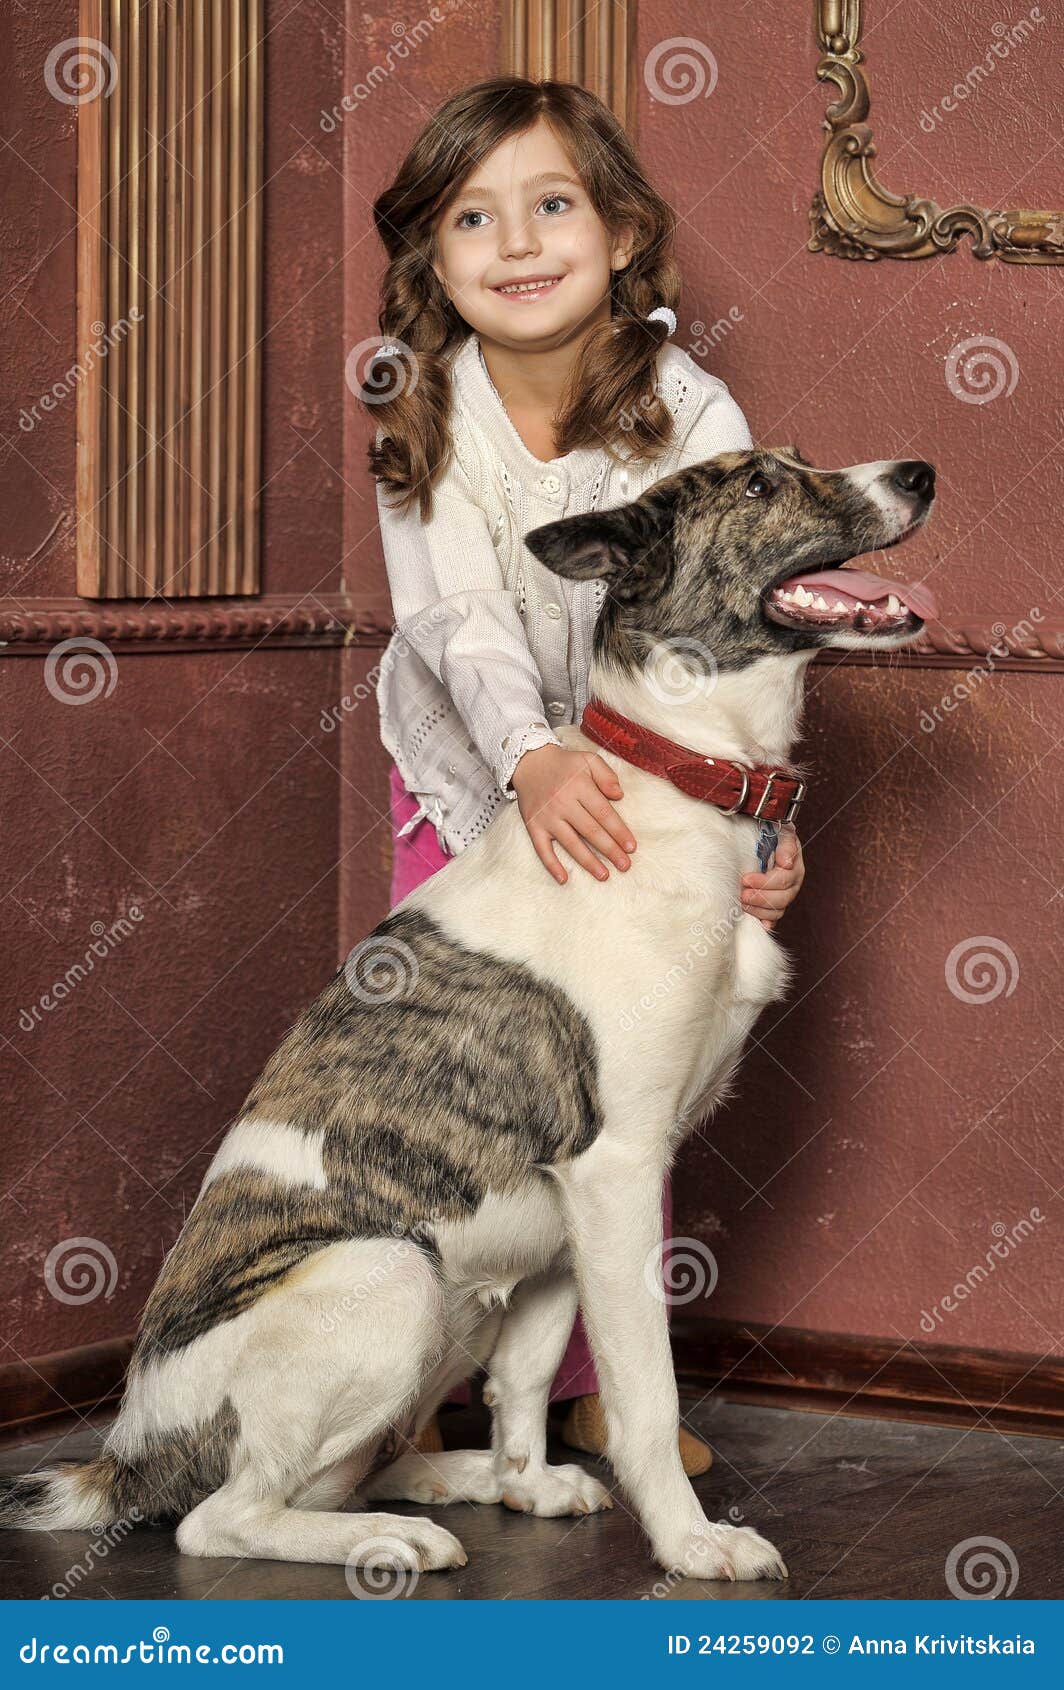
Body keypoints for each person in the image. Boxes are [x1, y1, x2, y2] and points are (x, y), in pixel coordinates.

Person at [364, 78, 806, 1476]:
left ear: (619, 233)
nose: (515, 242)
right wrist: (532, 760)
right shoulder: (420, 406)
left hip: (661, 782)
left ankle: (607, 1386)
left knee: (634, 1073)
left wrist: (758, 833)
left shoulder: (689, 404)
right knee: (459, 1070)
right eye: (470, 219)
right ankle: (427, 1355)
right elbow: (458, 622)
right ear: (431, 264)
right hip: (469, 777)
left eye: (551, 204)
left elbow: (752, 623)